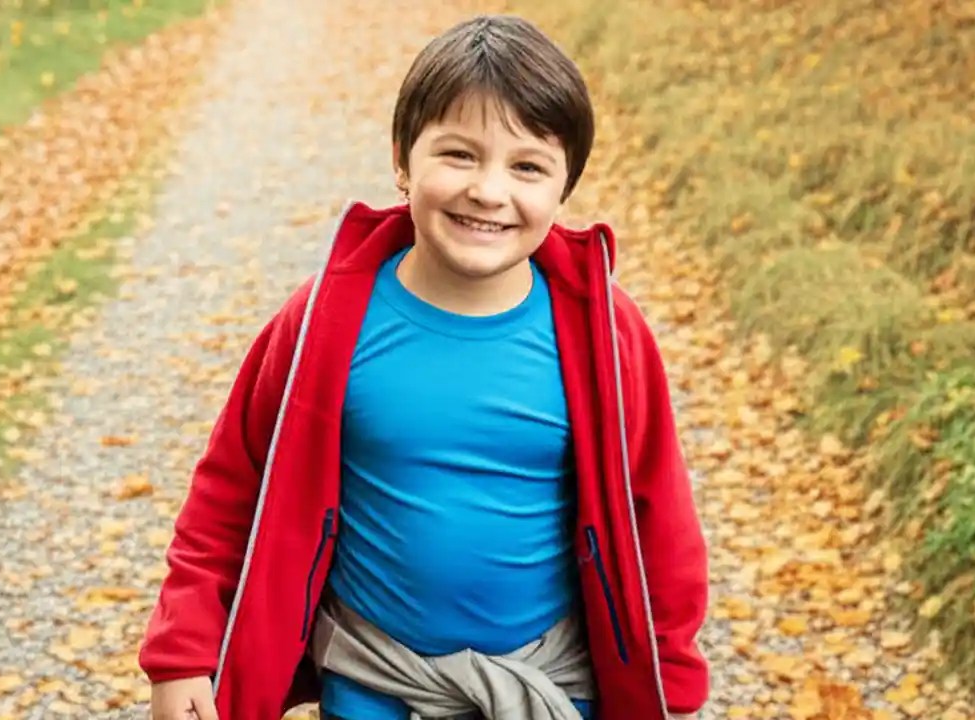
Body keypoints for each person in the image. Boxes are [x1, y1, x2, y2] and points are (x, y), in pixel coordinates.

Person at [140, 13, 708, 720]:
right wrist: (184, 651)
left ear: (563, 189)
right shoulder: (324, 323)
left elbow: (660, 518)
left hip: (550, 685)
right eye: (459, 155)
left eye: (527, 166)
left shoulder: (604, 337)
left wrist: (672, 681)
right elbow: (229, 492)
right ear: (403, 161)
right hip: (376, 680)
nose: (489, 191)